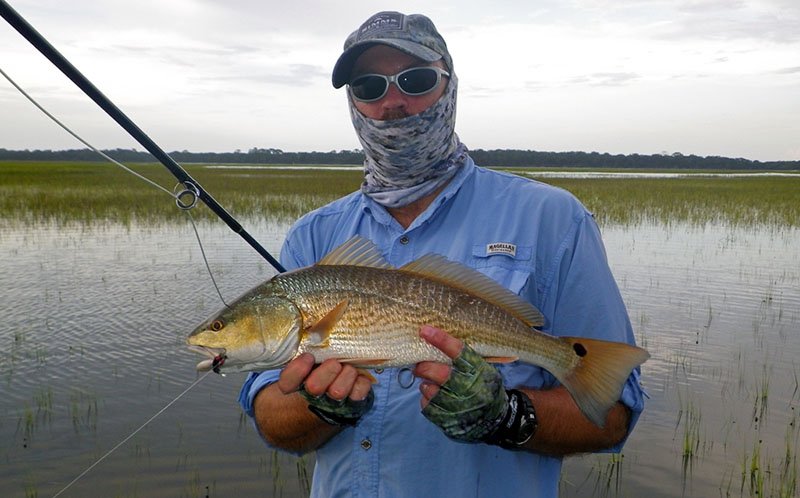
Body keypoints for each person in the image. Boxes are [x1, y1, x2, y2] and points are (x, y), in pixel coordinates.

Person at [239, 11, 645, 497]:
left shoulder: (553, 218)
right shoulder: (313, 235)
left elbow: (613, 416)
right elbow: (271, 420)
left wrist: (507, 415)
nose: (393, 102)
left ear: (449, 87)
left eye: (415, 80)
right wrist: (316, 404)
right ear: (353, 105)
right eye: (369, 87)